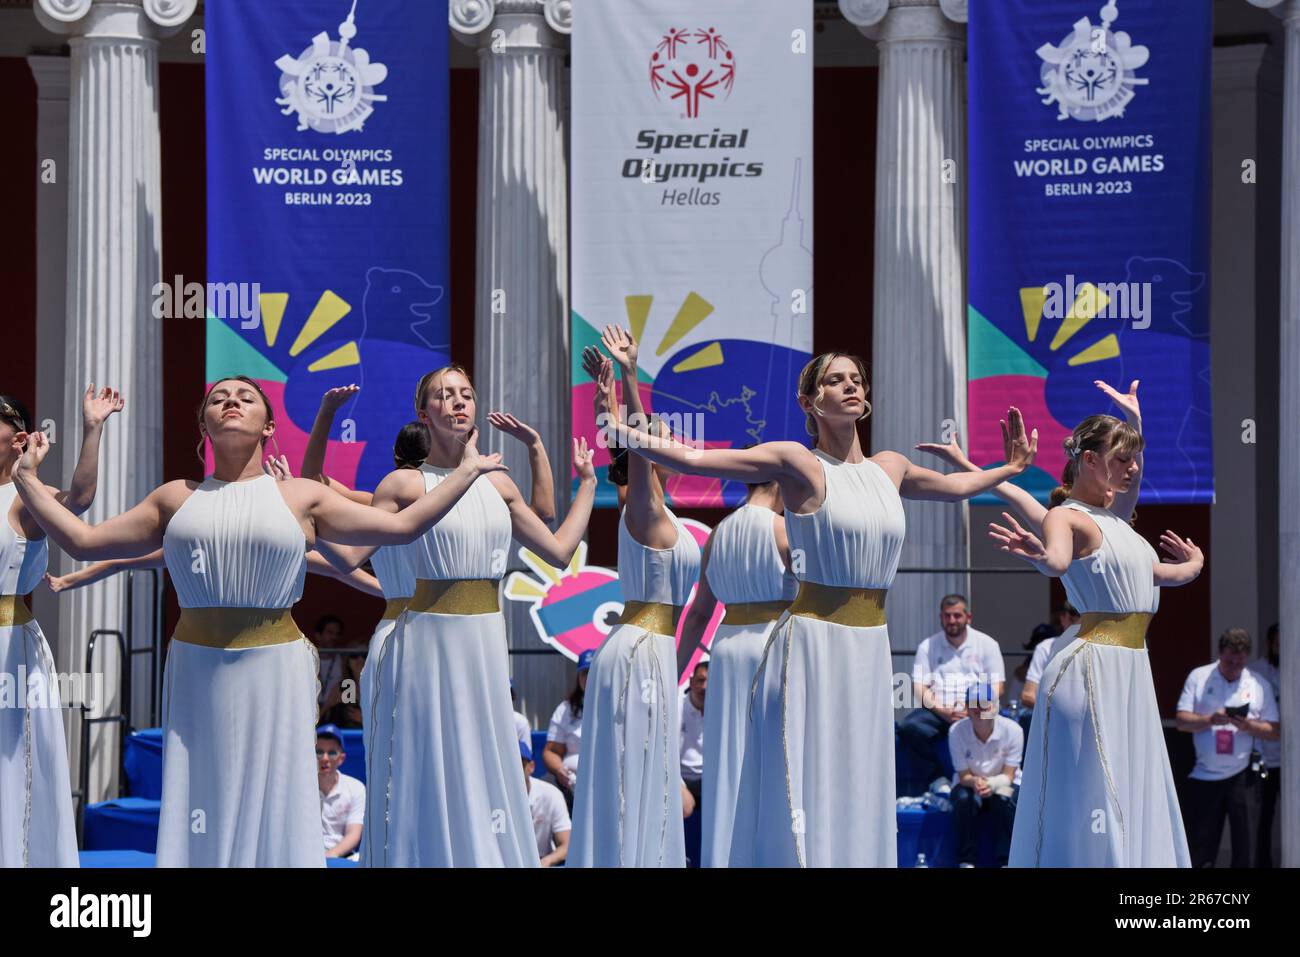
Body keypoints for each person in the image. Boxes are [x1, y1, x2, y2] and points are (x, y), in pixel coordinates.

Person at [12, 375, 508, 867]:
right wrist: (30, 477)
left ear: (269, 426)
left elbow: (403, 528)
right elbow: (82, 540)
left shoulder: (299, 497)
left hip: (276, 666)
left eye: (245, 397)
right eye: (218, 398)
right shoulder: (174, 498)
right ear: (203, 424)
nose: (231, 402)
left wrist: (466, 471)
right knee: (201, 792)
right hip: (195, 668)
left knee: (276, 796)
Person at [610, 351, 1036, 867]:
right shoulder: (798, 461)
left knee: (858, 773)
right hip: (813, 642)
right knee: (805, 777)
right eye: (836, 381)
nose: (851, 386)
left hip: (869, 642)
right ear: (811, 401)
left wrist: (1008, 469)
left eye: (857, 378)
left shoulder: (890, 467)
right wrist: (628, 428)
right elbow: (695, 459)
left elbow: (953, 488)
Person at [322, 365, 595, 867]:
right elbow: (348, 557)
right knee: (427, 761)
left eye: (465, 393)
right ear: (423, 413)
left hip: (485, 639)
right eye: (444, 395)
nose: (457, 402)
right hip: (423, 640)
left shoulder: (499, 484)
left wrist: (589, 483)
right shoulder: (403, 483)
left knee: (483, 759)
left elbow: (558, 550)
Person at [994, 394, 1203, 867]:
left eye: (1133, 459)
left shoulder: (1121, 525)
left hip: (1129, 666)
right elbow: (1057, 562)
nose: (1131, 469)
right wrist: (1037, 554)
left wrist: (1194, 565)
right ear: (1090, 461)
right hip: (1091, 667)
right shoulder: (1068, 516)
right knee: (1094, 789)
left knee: (1127, 785)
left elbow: (1161, 574)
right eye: (1121, 459)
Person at [568, 329, 700, 867]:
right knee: (633, 767)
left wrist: (610, 401)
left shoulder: (650, 506)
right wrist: (627, 377)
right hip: (640, 648)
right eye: (660, 434)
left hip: (650, 648)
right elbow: (637, 438)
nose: (668, 437)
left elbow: (628, 438)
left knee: (646, 767)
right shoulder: (642, 506)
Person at [0, 385, 123, 867]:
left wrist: (92, 428)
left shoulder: (24, 496)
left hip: (8, 648)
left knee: (12, 764)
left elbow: (80, 499)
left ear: (19, 437)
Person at [673, 477, 797, 866]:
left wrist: (673, 672)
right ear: (778, 482)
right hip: (772, 646)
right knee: (777, 755)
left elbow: (698, 614)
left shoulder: (717, 536)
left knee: (729, 754)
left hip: (727, 650)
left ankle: (728, 856)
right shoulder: (784, 529)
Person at [1175, 628, 1279, 868]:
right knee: (1201, 848)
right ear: (1220, 653)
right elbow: (1181, 721)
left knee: (1246, 848)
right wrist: (1210, 720)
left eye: (1239, 663)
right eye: (1229, 661)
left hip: (1243, 776)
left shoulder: (1257, 684)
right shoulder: (1199, 677)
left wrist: (1248, 725)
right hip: (1204, 774)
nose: (1233, 667)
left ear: (1246, 659)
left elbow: (1275, 731)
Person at [899, 594, 1005, 796]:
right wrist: (943, 711)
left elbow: (997, 687)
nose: (952, 621)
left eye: (957, 615)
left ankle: (992, 780)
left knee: (1005, 724)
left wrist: (972, 707)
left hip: (977, 707)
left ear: (968, 617)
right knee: (908, 728)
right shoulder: (927, 646)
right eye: (947, 616)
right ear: (941, 617)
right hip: (939, 710)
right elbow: (919, 688)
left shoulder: (987, 644)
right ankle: (937, 778)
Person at [948, 686, 1023, 868]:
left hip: (1002, 781)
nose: (979, 710)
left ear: (995, 706)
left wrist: (991, 783)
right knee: (963, 799)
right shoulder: (956, 731)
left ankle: (1006, 861)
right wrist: (976, 782)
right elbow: (964, 775)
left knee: (1006, 798)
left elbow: (1009, 775)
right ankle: (966, 861)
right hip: (970, 782)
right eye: (974, 704)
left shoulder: (1013, 730)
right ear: (966, 707)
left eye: (984, 704)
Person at [1249, 622, 1281, 867]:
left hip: (1293, 756)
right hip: (1267, 757)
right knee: (1264, 814)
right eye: (1277, 643)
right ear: (1270, 643)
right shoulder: (1256, 672)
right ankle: (1263, 862)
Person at [544, 649, 591, 810]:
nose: (588, 678)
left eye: (593, 672)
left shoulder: (616, 706)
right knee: (546, 786)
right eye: (584, 673)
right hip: (569, 784)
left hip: (603, 781)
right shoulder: (565, 709)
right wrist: (560, 771)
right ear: (578, 677)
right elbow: (551, 752)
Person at [317, 724, 365, 860]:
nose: (325, 758)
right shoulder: (299, 788)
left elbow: (354, 833)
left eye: (331, 753)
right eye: (318, 752)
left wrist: (330, 856)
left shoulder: (356, 787)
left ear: (341, 758)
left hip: (342, 857)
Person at [521, 741, 571, 867]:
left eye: (520, 765)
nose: (514, 771)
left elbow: (567, 844)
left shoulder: (551, 794)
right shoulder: (490, 798)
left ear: (531, 767)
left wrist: (547, 861)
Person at [680, 658, 707, 867]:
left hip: (709, 780)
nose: (704, 687)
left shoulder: (721, 707)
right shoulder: (676, 707)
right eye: (700, 680)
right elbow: (666, 755)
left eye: (709, 681)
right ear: (691, 681)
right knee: (684, 806)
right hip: (680, 778)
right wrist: (680, 787)